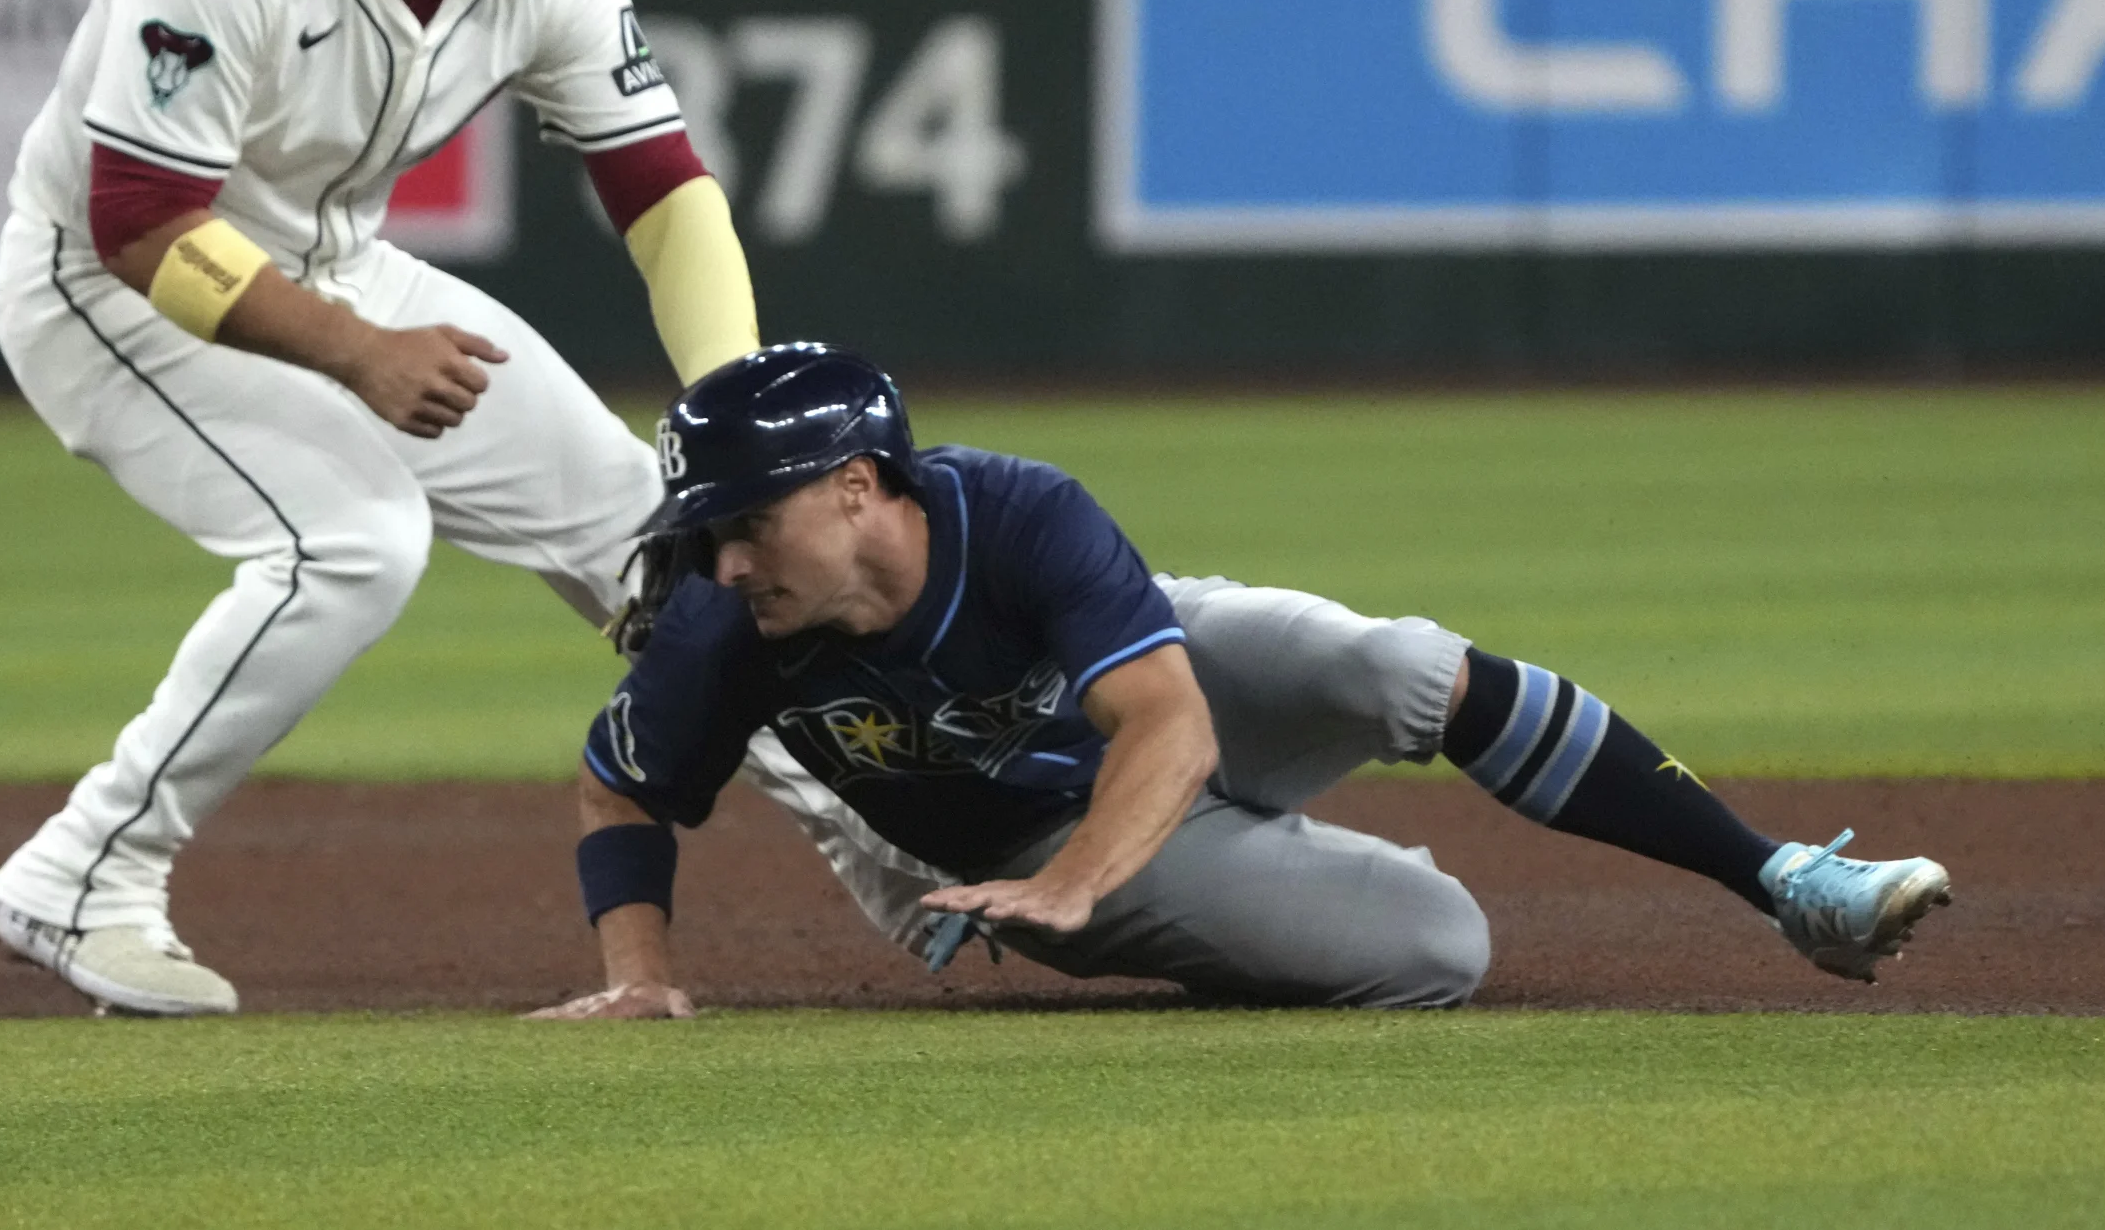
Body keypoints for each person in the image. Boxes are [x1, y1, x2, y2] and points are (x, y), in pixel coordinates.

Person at [0, 0, 827, 1015]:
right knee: (353, 540)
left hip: (333, 270)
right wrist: (353, 351)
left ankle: (882, 829)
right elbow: (138, 222)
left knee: (654, 525)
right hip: (103, 289)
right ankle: (86, 870)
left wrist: (736, 412)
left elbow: (666, 195)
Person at [529, 344, 1954, 1019]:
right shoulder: (723, 621)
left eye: (747, 517)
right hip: (1011, 839)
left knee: (1399, 662)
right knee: (1438, 950)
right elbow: (620, 782)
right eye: (707, 527)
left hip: (1153, 679)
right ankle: (1271, 874)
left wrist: (1086, 877)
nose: (723, 556)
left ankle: (1786, 881)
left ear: (856, 486)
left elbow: (1165, 715)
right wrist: (639, 977)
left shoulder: (1015, 511)